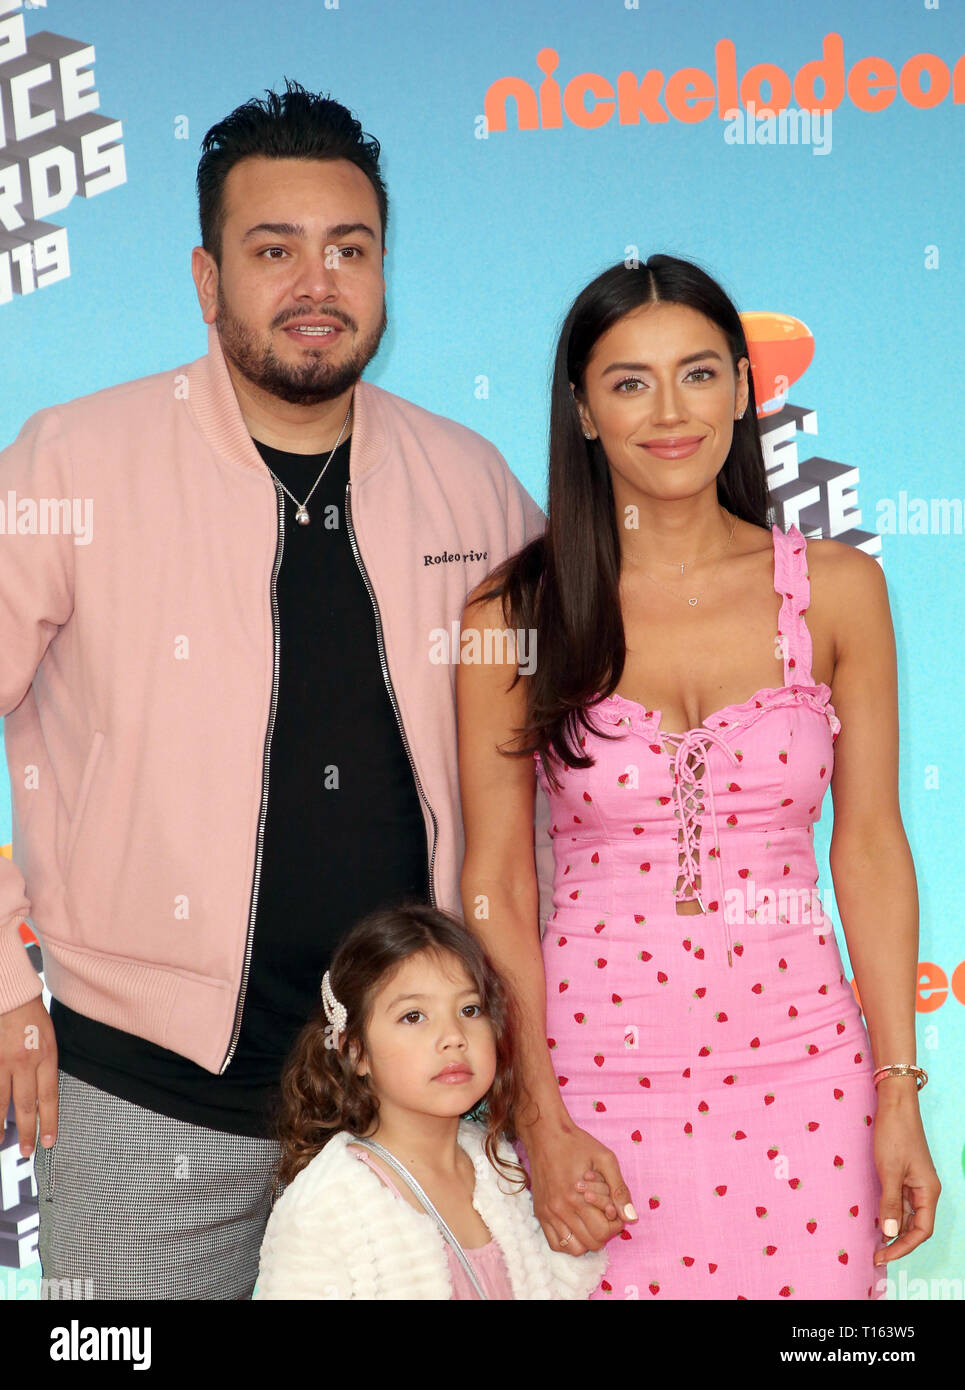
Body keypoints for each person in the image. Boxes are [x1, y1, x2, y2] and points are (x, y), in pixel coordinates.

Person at [0, 82, 548, 1299]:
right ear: (206, 280)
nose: (317, 282)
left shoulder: (471, 483)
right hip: (146, 1085)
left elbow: (560, 766)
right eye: (274, 250)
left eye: (348, 249)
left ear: (384, 271)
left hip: (407, 1106)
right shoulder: (73, 461)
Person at [456, 254, 941, 1300]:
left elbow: (866, 849)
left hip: (807, 1078)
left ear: (738, 388)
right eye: (628, 381)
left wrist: (897, 1090)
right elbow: (493, 878)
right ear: (582, 411)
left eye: (698, 373)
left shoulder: (839, 591)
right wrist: (535, 1111)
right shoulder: (512, 617)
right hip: (592, 1080)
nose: (668, 411)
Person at [253, 903, 607, 1299]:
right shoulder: (327, 1205)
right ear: (356, 1051)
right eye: (414, 1016)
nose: (454, 1035)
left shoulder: (495, 1163)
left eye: (469, 1009)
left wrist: (579, 1230)